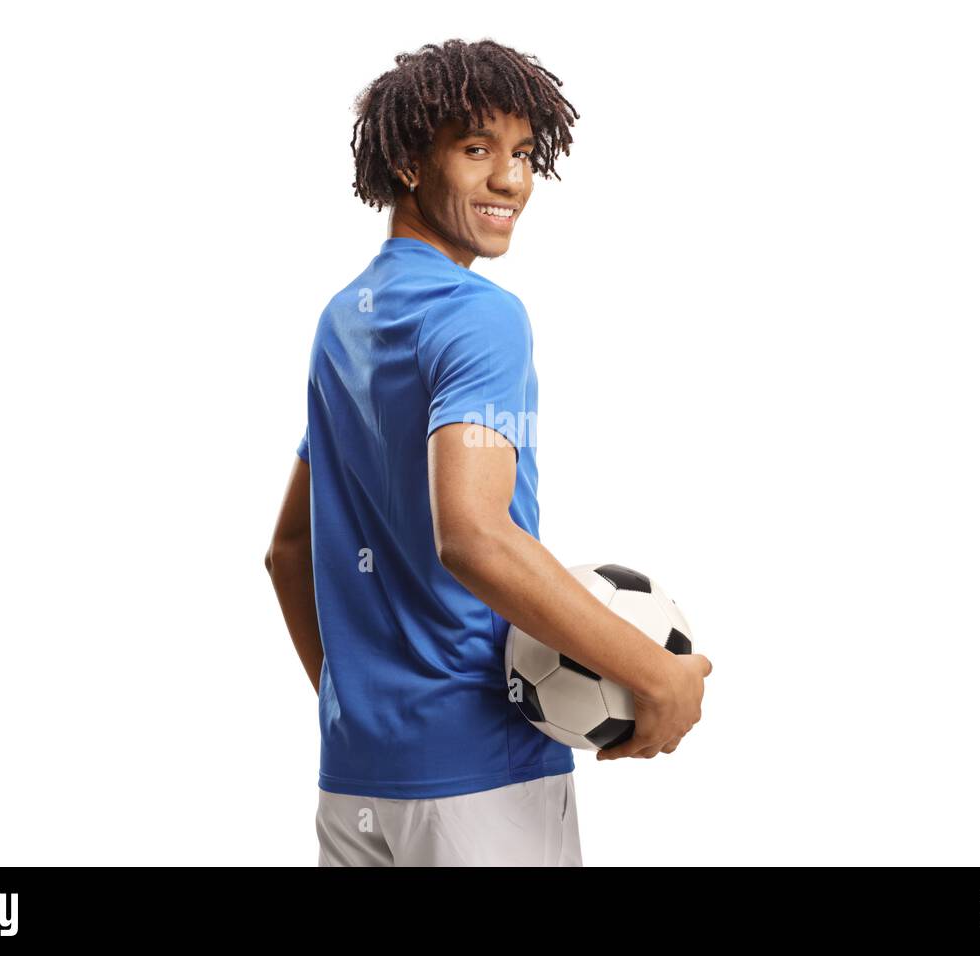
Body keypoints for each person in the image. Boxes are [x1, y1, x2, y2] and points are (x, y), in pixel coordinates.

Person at [265, 38, 712, 867]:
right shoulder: (479, 315)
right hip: (482, 790)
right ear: (405, 161)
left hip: (357, 784)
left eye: (523, 154)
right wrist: (657, 674)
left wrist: (368, 711)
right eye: (477, 150)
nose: (511, 180)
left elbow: (287, 550)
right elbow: (472, 534)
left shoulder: (343, 321)